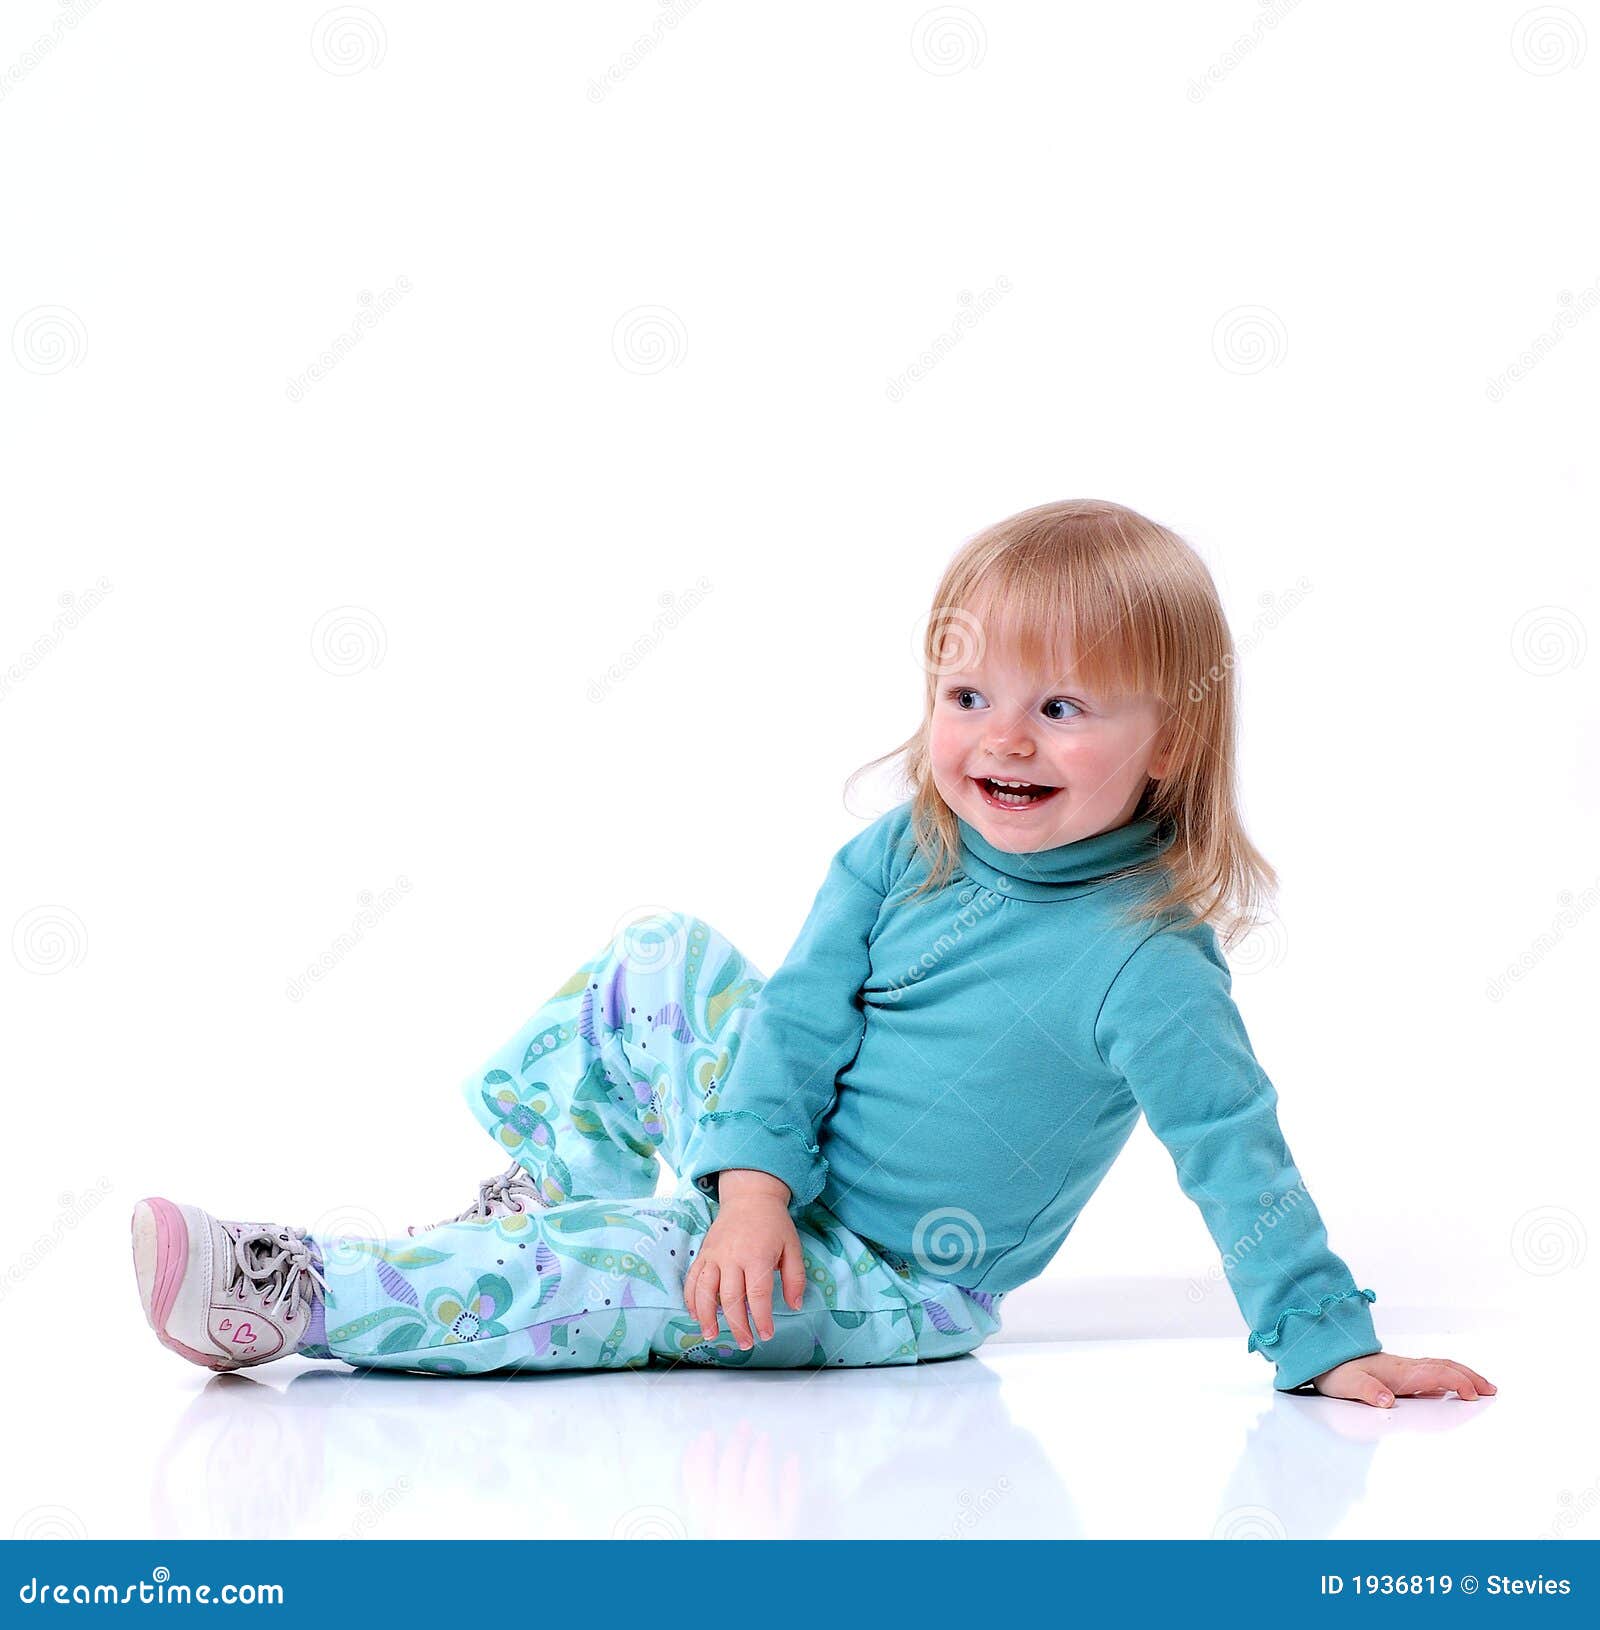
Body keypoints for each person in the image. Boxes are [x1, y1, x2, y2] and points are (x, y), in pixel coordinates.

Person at [130, 498, 1494, 1407]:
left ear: (1172, 741)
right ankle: (550, 1197)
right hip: (785, 1186)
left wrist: (1330, 1344)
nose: (1002, 739)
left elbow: (1233, 1150)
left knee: (630, 1277)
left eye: (1061, 706)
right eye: (970, 696)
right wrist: (753, 1183)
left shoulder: (1147, 964)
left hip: (885, 1273)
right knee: (663, 953)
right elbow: (791, 1027)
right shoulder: (908, 848)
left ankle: (298, 1286)